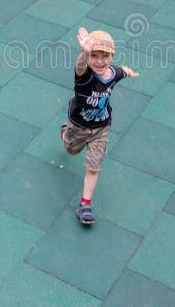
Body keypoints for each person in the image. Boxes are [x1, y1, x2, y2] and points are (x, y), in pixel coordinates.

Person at [61, 27, 139, 225]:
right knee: (71, 151)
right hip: (78, 126)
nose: (99, 61)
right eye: (94, 56)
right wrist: (84, 54)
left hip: (101, 128)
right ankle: (65, 132)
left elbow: (119, 72)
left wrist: (128, 72)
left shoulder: (113, 73)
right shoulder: (86, 77)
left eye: (105, 56)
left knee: (93, 167)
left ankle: (85, 205)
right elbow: (79, 68)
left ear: (111, 56)